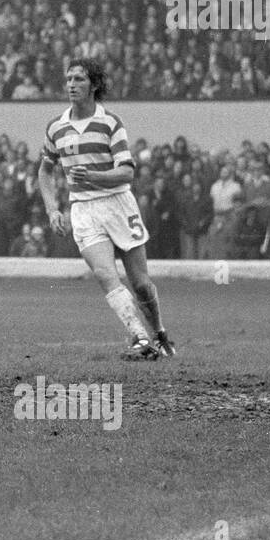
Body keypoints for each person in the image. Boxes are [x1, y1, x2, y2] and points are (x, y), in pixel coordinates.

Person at [38, 59, 175, 360]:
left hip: (117, 203)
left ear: (94, 85)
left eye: (79, 79)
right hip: (83, 208)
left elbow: (127, 172)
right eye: (69, 78)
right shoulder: (56, 127)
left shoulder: (110, 123)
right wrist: (52, 210)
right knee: (105, 274)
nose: (71, 84)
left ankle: (160, 333)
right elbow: (45, 171)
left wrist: (94, 176)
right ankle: (140, 338)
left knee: (140, 284)